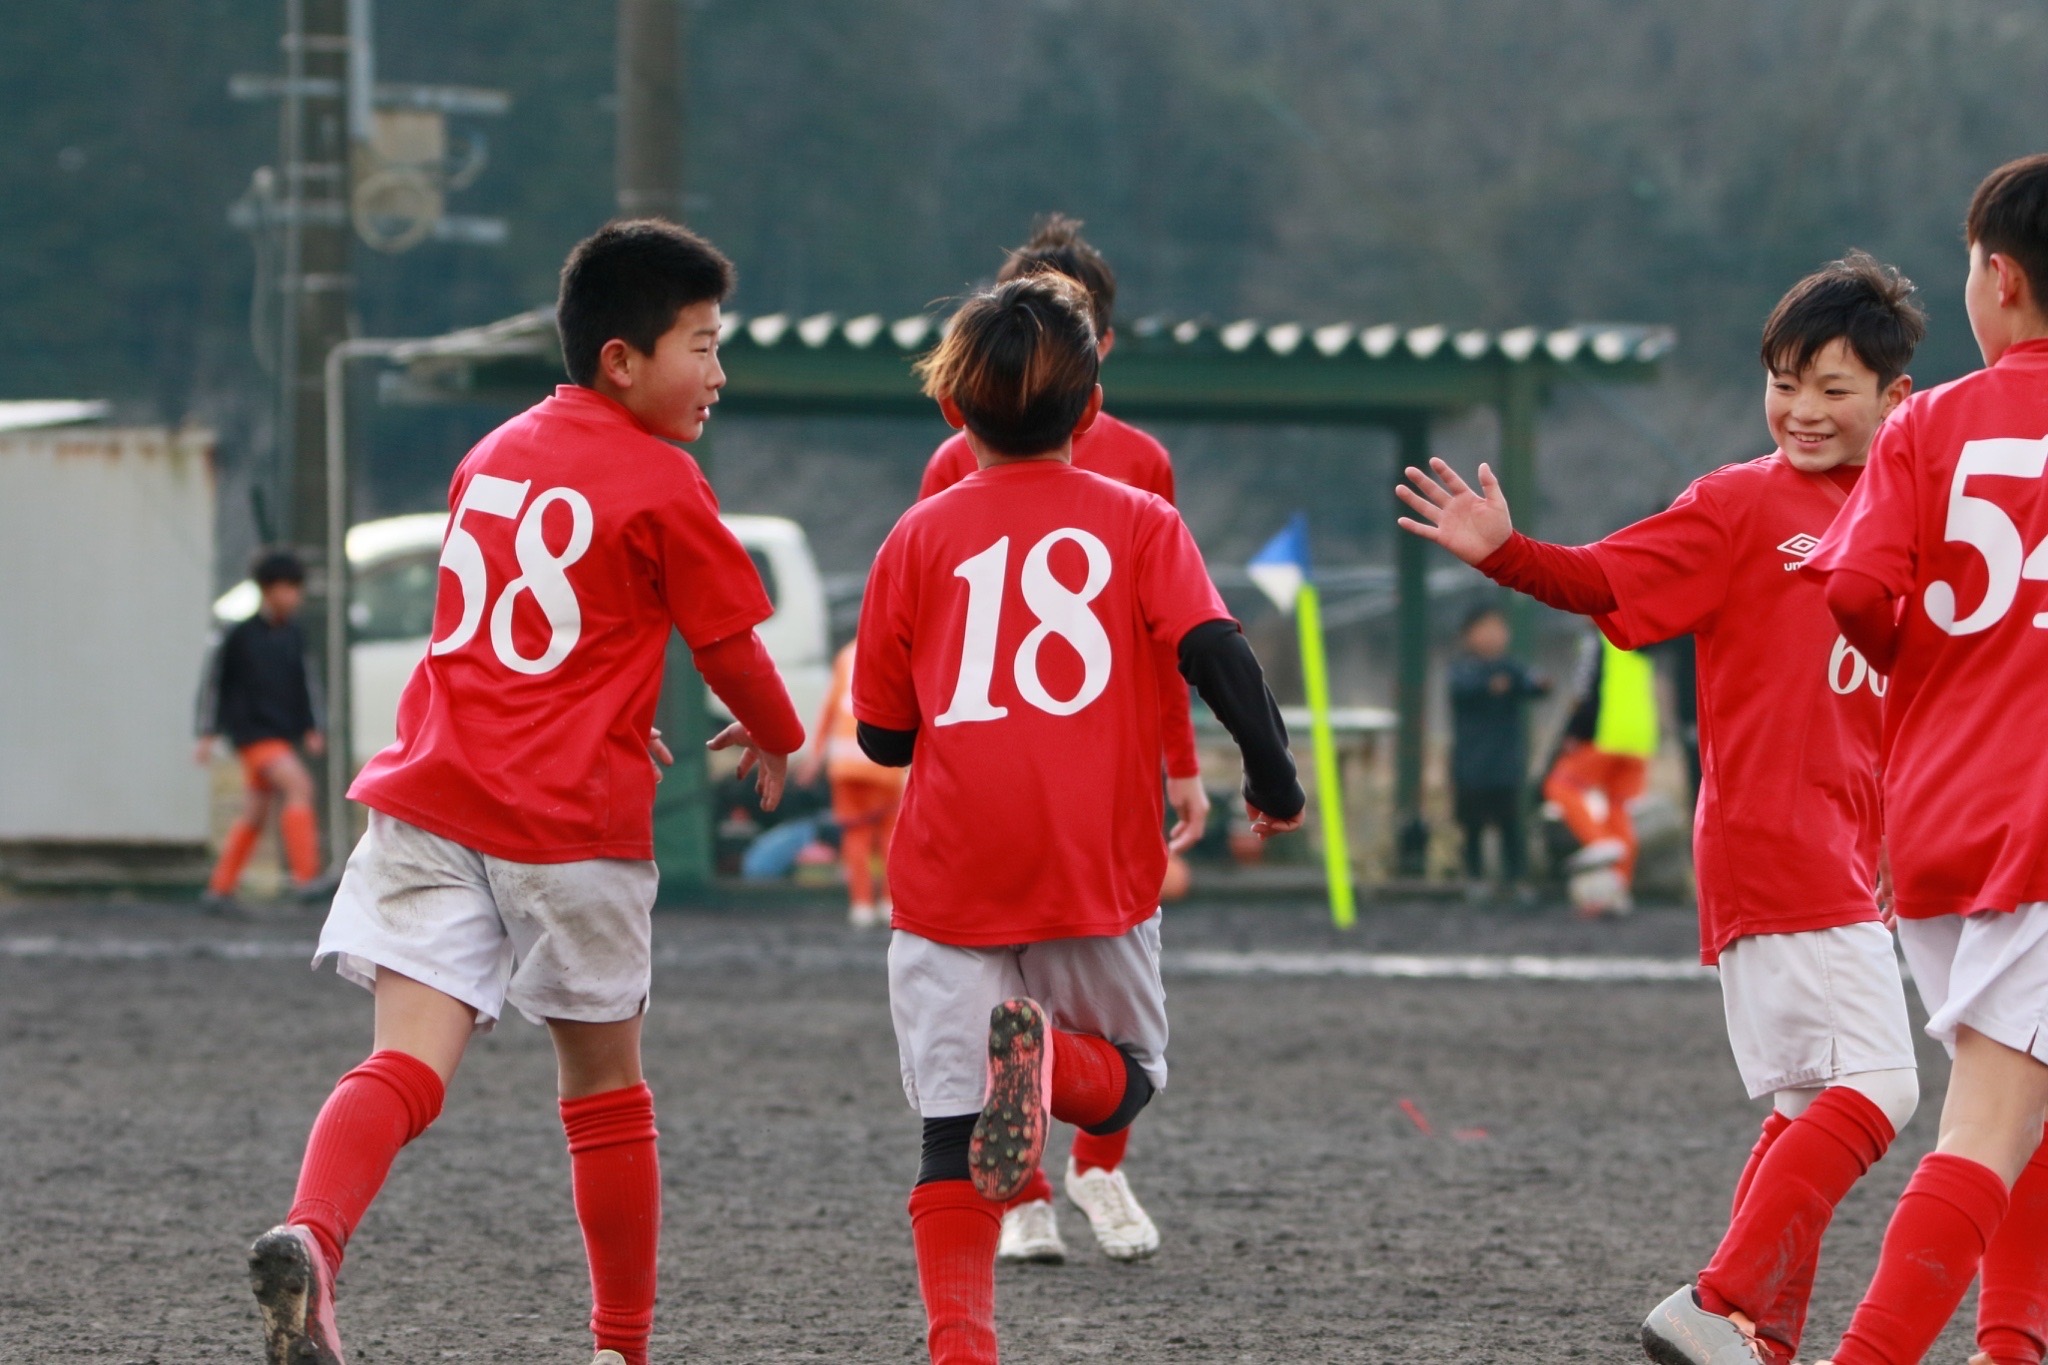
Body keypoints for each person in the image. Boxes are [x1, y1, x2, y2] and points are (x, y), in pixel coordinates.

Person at [245, 220, 805, 1365]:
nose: (717, 372)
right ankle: (620, 1348)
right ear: (621, 359)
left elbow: (526, 636)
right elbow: (735, 646)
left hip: (429, 795)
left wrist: (611, 710)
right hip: (564, 825)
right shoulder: (664, 478)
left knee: (402, 1061)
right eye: (699, 345)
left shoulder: (489, 453)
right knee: (604, 1089)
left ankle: (313, 1236)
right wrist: (778, 729)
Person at [1397, 250, 1926, 1365]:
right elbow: (1606, 579)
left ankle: (1753, 1334)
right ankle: (1719, 1296)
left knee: (1800, 1113)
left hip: (1838, 854)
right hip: (1777, 845)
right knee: (1880, 1087)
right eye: (1783, 380)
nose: (1800, 410)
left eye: (1833, 389)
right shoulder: (1739, 503)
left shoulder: (1912, 519)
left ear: (1895, 400)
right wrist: (1508, 558)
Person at [855, 273, 1304, 1365]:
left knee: (950, 1133)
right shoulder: (1139, 518)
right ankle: (1049, 1059)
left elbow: (882, 740)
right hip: (1089, 865)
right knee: (1134, 1071)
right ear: (1092, 406)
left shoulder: (915, 537)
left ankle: (962, 1349)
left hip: (950, 872)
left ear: (954, 411)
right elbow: (1214, 649)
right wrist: (1270, 776)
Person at [918, 214, 1203, 1266]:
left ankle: (1100, 1168)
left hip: (1109, 767)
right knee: (1011, 992)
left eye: (1066, 316)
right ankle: (1027, 1192)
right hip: (994, 769)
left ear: (1099, 350)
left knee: (1111, 996)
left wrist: (1181, 761)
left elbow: (1173, 632)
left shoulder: (1141, 466)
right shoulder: (955, 465)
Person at [1801, 155, 2048, 1365]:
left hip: (1944, 812)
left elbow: (1850, 587)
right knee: (1990, 1121)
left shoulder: (1929, 421)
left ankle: (2011, 1342)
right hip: (2036, 830)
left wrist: (1930, 664)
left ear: (1996, 278)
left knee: (2019, 1101)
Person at [194, 548, 329, 904]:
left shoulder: (294, 637)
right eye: (288, 588)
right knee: (300, 786)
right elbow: (215, 684)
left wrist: (312, 725)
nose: (294, 597)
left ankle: (219, 888)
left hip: (279, 734)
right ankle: (306, 880)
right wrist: (207, 731)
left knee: (254, 813)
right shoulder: (240, 635)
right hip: (253, 735)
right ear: (268, 590)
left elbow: (306, 684)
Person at [1542, 631, 1660, 915]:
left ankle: (1600, 843)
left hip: (1604, 732)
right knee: (1619, 809)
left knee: (1560, 785)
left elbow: (1585, 690)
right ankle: (1617, 887)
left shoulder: (1596, 638)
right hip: (1639, 737)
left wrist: (1574, 731)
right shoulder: (1643, 634)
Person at [797, 640, 904, 927]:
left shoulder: (845, 654)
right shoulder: (895, 649)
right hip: (884, 760)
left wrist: (815, 758)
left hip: (844, 762)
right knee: (889, 833)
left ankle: (861, 905)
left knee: (856, 833)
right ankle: (890, 903)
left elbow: (830, 708)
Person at [1446, 604, 1548, 894]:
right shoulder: (1462, 669)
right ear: (1468, 635)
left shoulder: (1512, 667)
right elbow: (1466, 688)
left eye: (1498, 628)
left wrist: (1534, 682)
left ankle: (1516, 880)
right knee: (1473, 826)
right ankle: (1475, 878)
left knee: (1511, 825)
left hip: (1506, 765)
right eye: (1485, 629)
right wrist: (1494, 685)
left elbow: (1536, 685)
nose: (1493, 636)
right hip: (1471, 766)